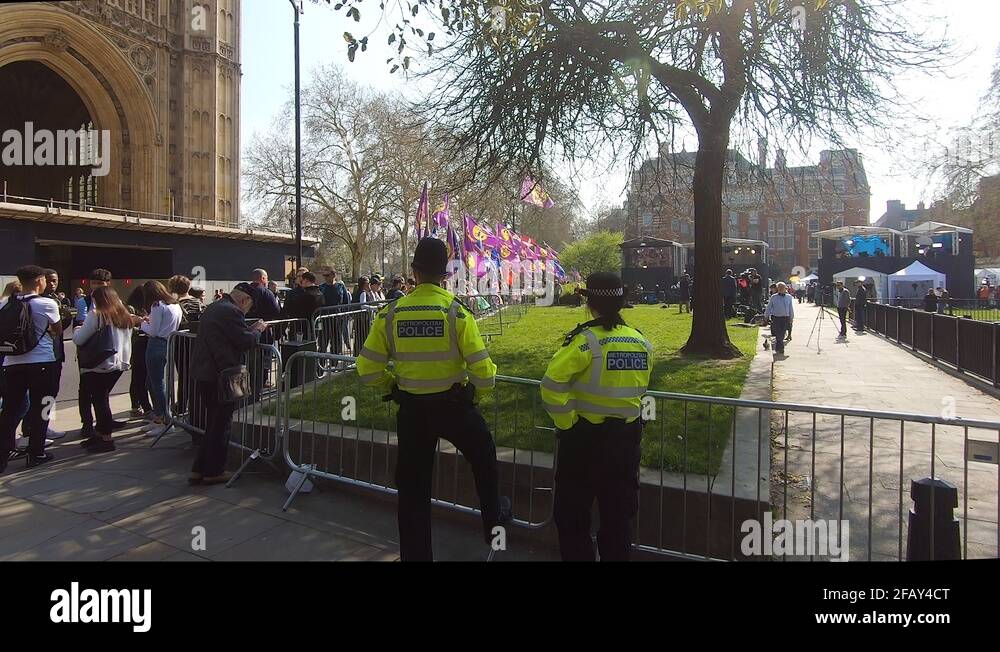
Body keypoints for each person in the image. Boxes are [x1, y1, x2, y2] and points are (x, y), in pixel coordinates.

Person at [356, 237, 510, 561]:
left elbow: (367, 368)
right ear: (446, 274)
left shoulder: (391, 313)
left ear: (413, 271)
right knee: (484, 456)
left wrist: (391, 388)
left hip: (411, 410)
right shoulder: (456, 312)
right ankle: (493, 519)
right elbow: (484, 371)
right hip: (453, 407)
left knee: (412, 490)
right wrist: (476, 395)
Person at [540, 272, 652, 561]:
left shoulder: (585, 341)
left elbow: (551, 386)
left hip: (584, 443)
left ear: (590, 303)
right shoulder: (641, 342)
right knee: (618, 520)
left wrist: (567, 424)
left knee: (572, 517)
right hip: (626, 443)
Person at [187, 283, 267, 485]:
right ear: (244, 300)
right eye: (249, 306)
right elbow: (243, 341)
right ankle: (214, 470)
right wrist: (257, 330)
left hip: (206, 372)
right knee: (221, 424)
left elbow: (229, 336)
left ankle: (199, 469)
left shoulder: (217, 307)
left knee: (213, 423)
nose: (247, 310)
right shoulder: (231, 312)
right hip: (220, 374)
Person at [0, 265, 62, 472]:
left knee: (9, 410)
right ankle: (37, 452)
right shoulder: (47, 304)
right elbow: (57, 330)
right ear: (39, 281)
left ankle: (2, 455)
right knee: (43, 406)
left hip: (12, 363)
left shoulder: (5, 304)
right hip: (43, 362)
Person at [73, 286, 136, 453]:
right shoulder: (125, 316)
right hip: (119, 363)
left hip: (100, 362)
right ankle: (100, 433)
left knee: (100, 401)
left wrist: (76, 329)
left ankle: (106, 438)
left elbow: (79, 339)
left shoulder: (97, 315)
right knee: (102, 398)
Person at [139, 280, 182, 435]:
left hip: (156, 343)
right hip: (168, 343)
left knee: (156, 384)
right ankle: (159, 417)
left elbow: (153, 331)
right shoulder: (175, 304)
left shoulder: (157, 305)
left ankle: (165, 419)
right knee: (151, 382)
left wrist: (140, 323)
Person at [125, 286, 153, 418]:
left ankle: (137, 404)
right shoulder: (130, 308)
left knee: (138, 377)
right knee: (138, 377)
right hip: (136, 344)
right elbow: (127, 327)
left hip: (144, 343)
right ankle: (137, 405)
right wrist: (142, 326)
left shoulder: (148, 308)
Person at [764, 281, 795, 355]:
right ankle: (781, 348)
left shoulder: (789, 297)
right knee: (778, 333)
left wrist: (791, 317)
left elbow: (790, 308)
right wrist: (766, 315)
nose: (781, 289)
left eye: (783, 288)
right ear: (777, 289)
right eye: (780, 288)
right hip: (776, 317)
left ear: (785, 288)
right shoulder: (773, 297)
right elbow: (769, 307)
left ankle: (779, 347)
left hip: (785, 317)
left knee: (782, 333)